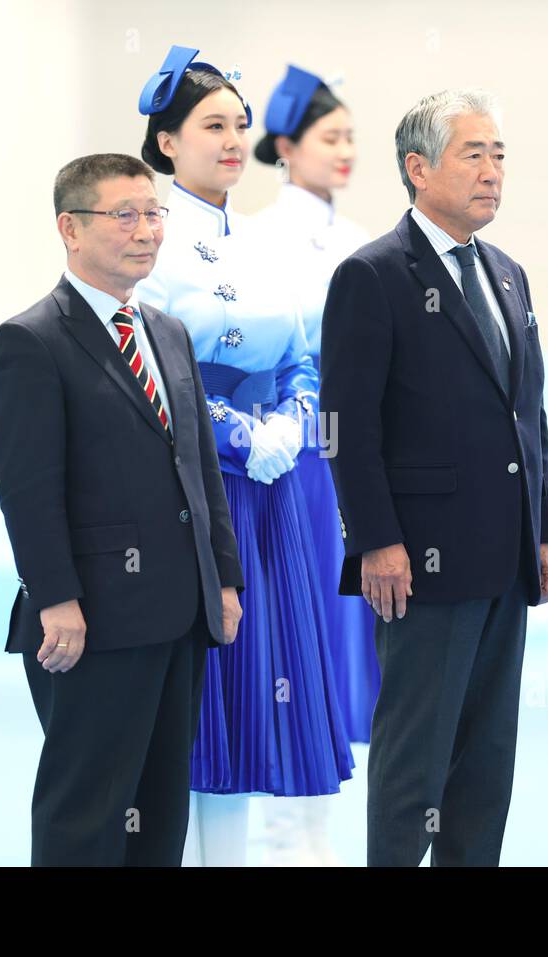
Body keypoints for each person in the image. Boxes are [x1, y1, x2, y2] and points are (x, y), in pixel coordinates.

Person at [321, 89, 548, 866]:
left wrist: (546, 531)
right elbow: (344, 428)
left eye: (499, 155)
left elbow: (528, 414)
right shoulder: (373, 275)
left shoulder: (507, 273)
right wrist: (378, 542)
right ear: (417, 169)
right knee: (412, 767)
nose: (493, 171)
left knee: (486, 765)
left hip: (504, 560)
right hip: (420, 566)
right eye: (474, 154)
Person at [0, 152, 244, 866]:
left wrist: (222, 577)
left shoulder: (167, 332)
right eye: (123, 215)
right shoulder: (30, 341)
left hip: (179, 614)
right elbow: (28, 489)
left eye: (153, 213)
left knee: (158, 815)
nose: (146, 231)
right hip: (91, 621)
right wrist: (56, 597)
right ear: (70, 228)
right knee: (86, 816)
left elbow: (200, 470)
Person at [134, 45, 354, 866]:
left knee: (263, 696)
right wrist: (236, 433)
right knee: (208, 702)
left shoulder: (264, 242)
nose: (232, 141)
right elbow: (159, 370)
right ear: (167, 144)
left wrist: (294, 426)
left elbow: (302, 353)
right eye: (211, 126)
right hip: (200, 492)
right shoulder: (151, 244)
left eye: (239, 125)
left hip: (274, 488)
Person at [245, 64, 376, 865]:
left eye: (354, 137)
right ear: (287, 148)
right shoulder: (260, 238)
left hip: (352, 459)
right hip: (294, 457)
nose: (347, 151)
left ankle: (311, 827)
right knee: (295, 637)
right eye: (332, 137)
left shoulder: (363, 242)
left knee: (342, 640)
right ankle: (281, 830)